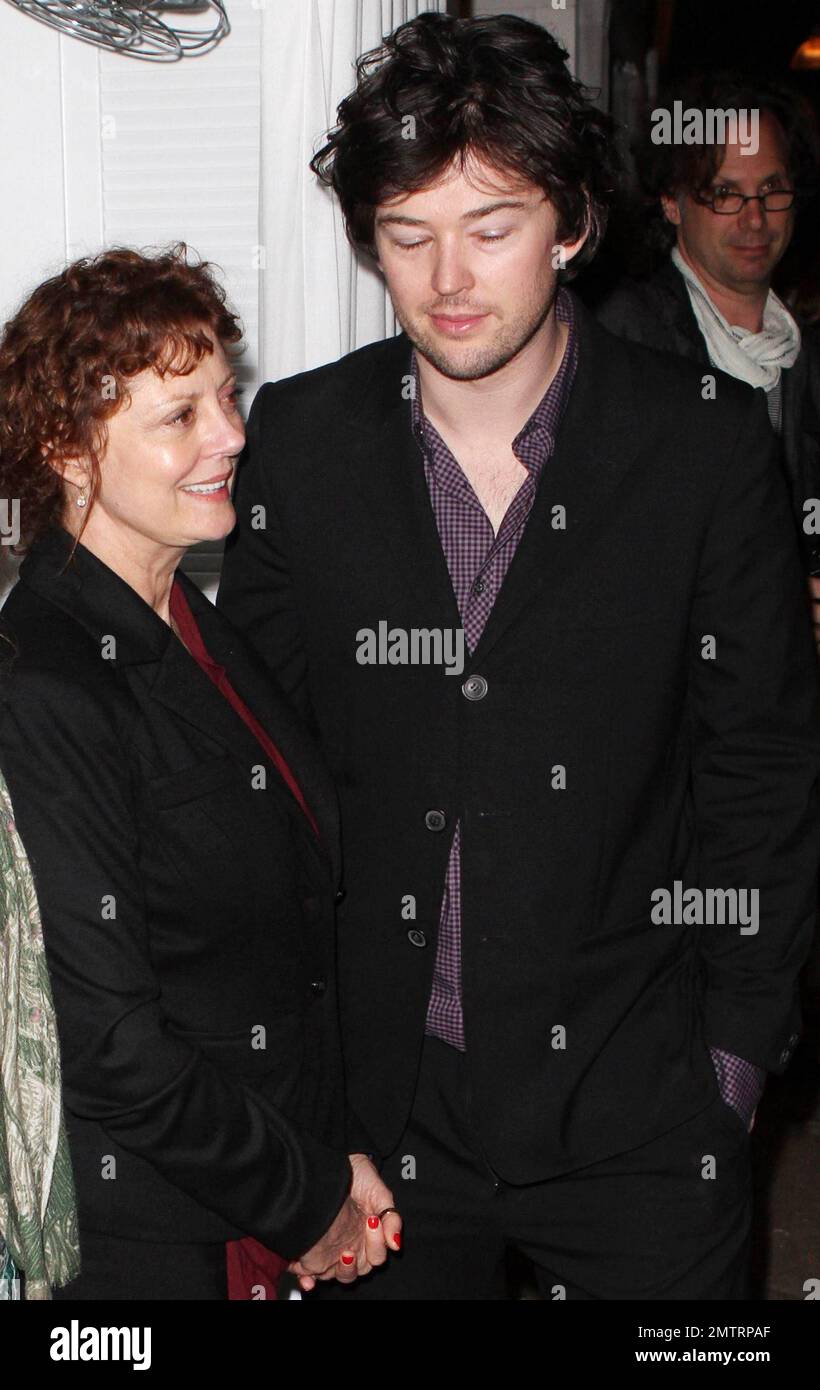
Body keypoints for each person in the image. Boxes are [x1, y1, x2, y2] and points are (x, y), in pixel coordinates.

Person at [217, 13, 820, 1299]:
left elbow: (762, 774)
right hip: (382, 1115)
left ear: (572, 226)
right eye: (407, 233)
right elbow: (262, 775)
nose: (447, 277)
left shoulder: (706, 452)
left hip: (644, 1105)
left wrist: (733, 1064)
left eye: (489, 227)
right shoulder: (304, 442)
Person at [0, 245, 400, 1300]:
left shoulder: (189, 618)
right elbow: (110, 1048)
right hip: (155, 1246)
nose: (231, 434)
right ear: (67, 447)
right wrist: (305, 1198)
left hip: (259, 1186)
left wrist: (329, 1159)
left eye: (227, 396)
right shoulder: (44, 684)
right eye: (180, 415)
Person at [594, 72, 820, 636]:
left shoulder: (806, 350)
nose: (754, 218)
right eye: (724, 193)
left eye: (772, 190)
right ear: (671, 202)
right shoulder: (624, 338)